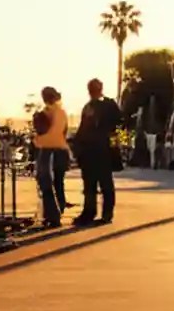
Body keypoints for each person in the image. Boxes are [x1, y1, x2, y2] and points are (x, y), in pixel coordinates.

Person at [72, 78, 122, 226]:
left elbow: (118, 124)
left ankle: (106, 214)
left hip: (103, 150)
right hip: (90, 151)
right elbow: (83, 128)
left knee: (104, 184)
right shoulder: (89, 107)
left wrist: (115, 146)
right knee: (90, 184)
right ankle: (89, 212)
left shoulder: (108, 104)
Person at [32, 86, 69, 228]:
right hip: (60, 149)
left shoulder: (50, 112)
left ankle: (53, 216)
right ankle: (56, 211)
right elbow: (63, 132)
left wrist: (36, 140)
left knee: (46, 183)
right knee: (57, 183)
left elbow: (47, 132)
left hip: (48, 149)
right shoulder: (61, 112)